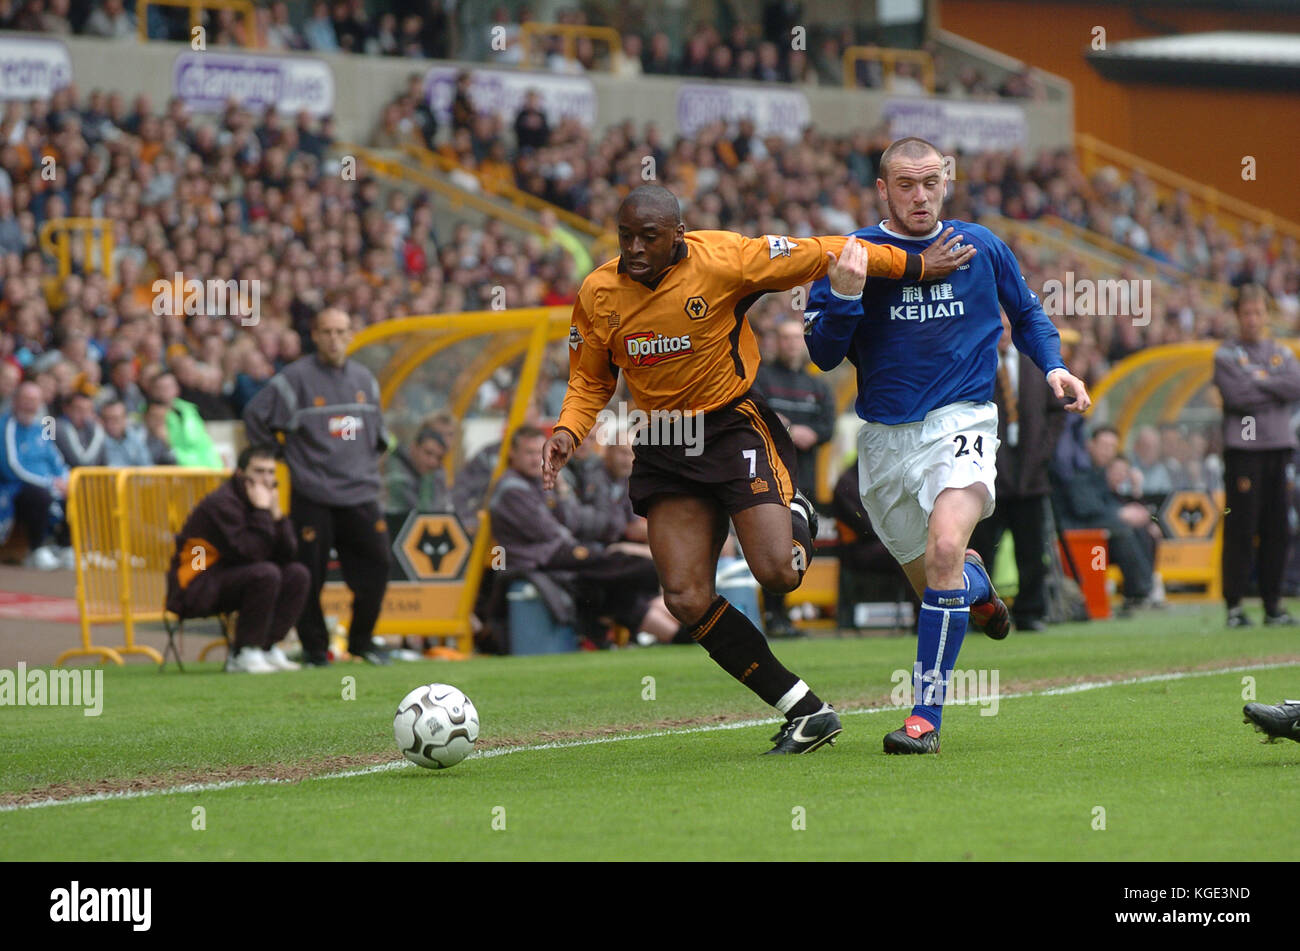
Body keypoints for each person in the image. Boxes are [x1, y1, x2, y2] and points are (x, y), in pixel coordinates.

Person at [543, 183, 968, 754]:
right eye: (626, 237)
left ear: (679, 234)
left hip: (730, 428)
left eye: (650, 237)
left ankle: (796, 511)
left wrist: (916, 265)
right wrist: (570, 429)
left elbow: (826, 251)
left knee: (779, 574)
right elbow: (591, 376)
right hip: (666, 444)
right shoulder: (598, 291)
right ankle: (804, 710)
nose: (636, 249)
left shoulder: (726, 259)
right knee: (686, 597)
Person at [806, 136, 1091, 755]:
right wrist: (848, 297)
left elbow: (1029, 313)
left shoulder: (981, 245)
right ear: (882, 189)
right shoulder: (854, 256)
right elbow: (823, 355)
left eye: (931, 182)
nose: (920, 195)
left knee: (943, 550)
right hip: (884, 442)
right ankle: (982, 593)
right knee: (940, 580)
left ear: (947, 182)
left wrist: (1052, 367)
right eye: (906, 184)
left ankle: (924, 720)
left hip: (961, 424)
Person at [243, 307, 393, 666]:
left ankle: (362, 642)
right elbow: (254, 415)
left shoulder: (364, 378)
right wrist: (282, 454)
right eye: (326, 331)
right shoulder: (294, 379)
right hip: (313, 494)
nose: (334, 339)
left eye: (341, 331)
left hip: (360, 492)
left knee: (378, 565)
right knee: (308, 576)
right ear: (315, 335)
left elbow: (378, 433)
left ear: (352, 334)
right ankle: (315, 649)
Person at [492, 426, 677, 648]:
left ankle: (682, 635)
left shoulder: (542, 482)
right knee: (635, 568)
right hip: (542, 561)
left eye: (538, 452)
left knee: (619, 588)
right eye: (529, 453)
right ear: (512, 453)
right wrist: (595, 546)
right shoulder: (512, 490)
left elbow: (572, 520)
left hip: (561, 557)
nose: (536, 459)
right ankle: (681, 626)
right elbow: (553, 532)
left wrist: (562, 490)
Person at [166, 446, 311, 673]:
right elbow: (250, 552)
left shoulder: (263, 501)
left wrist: (277, 517)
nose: (267, 479)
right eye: (259, 471)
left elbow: (288, 554)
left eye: (271, 472)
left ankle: (265, 647)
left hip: (229, 576)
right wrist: (263, 512)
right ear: (241, 474)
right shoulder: (222, 503)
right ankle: (244, 652)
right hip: (196, 585)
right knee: (266, 573)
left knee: (297, 574)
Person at [968, 317, 1068, 631]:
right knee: (982, 549)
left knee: (1031, 549)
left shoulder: (1035, 364)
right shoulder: (977, 363)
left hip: (1030, 473)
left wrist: (1043, 449)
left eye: (1009, 329)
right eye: (999, 328)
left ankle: (1030, 612)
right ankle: (978, 613)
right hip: (987, 475)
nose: (1004, 335)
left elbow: (1056, 412)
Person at [1213, 283, 1300, 627]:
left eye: (1258, 312)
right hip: (1244, 450)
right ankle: (1234, 606)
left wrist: (1256, 379)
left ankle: (1272, 605)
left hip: (1278, 447)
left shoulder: (1285, 353)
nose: (1253, 319)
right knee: (1241, 527)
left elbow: (1295, 386)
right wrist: (1271, 385)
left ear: (1267, 315)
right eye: (1247, 313)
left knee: (1278, 528)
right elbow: (1236, 396)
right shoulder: (1225, 354)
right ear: (1238, 316)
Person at [755, 316, 837, 636]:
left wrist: (810, 433)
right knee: (770, 545)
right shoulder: (761, 377)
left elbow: (827, 427)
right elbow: (757, 413)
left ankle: (785, 616)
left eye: (796, 338)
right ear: (776, 342)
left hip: (805, 480)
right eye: (785, 338)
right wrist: (789, 429)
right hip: (769, 476)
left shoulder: (818, 386)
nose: (791, 343)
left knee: (796, 545)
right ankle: (773, 616)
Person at [1055, 425, 1155, 612]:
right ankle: (1139, 592)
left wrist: (1130, 507)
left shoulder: (1102, 472)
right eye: (1104, 445)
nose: (1108, 451)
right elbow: (1085, 508)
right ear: (1090, 445)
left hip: (1097, 529)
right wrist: (1120, 514)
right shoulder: (1079, 469)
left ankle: (1145, 591)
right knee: (1123, 531)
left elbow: (1109, 504)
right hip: (1076, 530)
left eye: (1112, 447)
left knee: (1144, 530)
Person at [0, 381, 71, 570]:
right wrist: (50, 483)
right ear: (15, 401)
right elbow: (11, 467)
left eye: (35, 400)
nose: (30, 404)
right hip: (17, 486)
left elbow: (56, 457)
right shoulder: (5, 426)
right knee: (39, 495)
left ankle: (65, 546)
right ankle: (37, 549)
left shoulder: (46, 425)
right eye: (26, 399)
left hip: (51, 483)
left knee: (77, 490)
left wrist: (65, 480)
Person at [146, 369, 221, 468]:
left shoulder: (189, 409)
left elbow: (203, 439)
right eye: (162, 388)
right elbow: (167, 446)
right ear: (154, 391)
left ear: (177, 388)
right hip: (180, 468)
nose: (167, 391)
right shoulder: (154, 415)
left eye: (170, 386)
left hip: (208, 462)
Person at [385, 425, 451, 514]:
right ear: (413, 448)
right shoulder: (394, 471)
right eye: (428, 453)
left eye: (439, 458)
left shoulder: (437, 477)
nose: (433, 462)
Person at [54, 390, 106, 468]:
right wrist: (98, 433)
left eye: (88, 410)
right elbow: (82, 463)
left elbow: (104, 461)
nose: (84, 415)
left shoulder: (89, 429)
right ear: (66, 409)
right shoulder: (60, 427)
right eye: (79, 409)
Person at [100, 398, 154, 467]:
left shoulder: (136, 440)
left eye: (116, 419)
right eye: (106, 419)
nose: (111, 423)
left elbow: (147, 467)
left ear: (125, 419)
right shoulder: (97, 440)